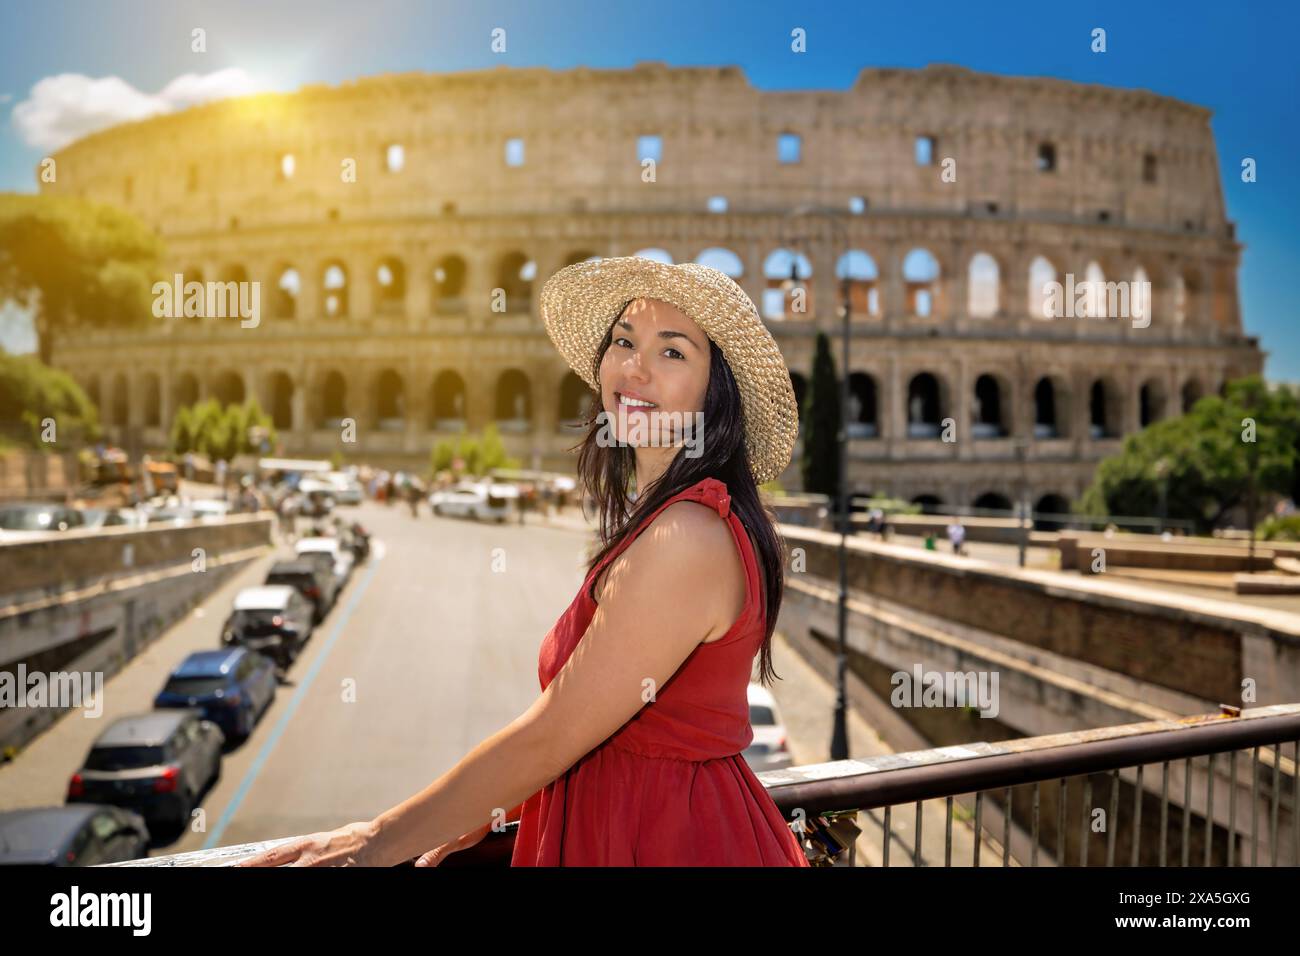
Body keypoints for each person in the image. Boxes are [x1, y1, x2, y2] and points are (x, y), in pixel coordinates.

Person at [235, 256, 809, 868]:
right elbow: (593, 722)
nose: (634, 367)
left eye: (672, 353)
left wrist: (372, 842)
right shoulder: (679, 519)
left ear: (714, 392)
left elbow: (552, 734)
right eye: (623, 341)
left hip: (661, 840)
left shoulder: (687, 535)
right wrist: (486, 807)